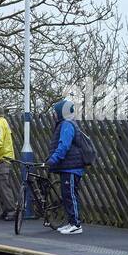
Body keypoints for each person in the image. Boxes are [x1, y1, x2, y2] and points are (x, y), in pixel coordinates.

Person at [46, 98, 85, 234]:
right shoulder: (66, 123)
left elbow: (64, 145)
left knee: (70, 195)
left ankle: (76, 224)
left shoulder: (67, 125)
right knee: (67, 194)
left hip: (72, 167)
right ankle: (71, 222)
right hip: (68, 166)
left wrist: (53, 159)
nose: (54, 114)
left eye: (55, 112)